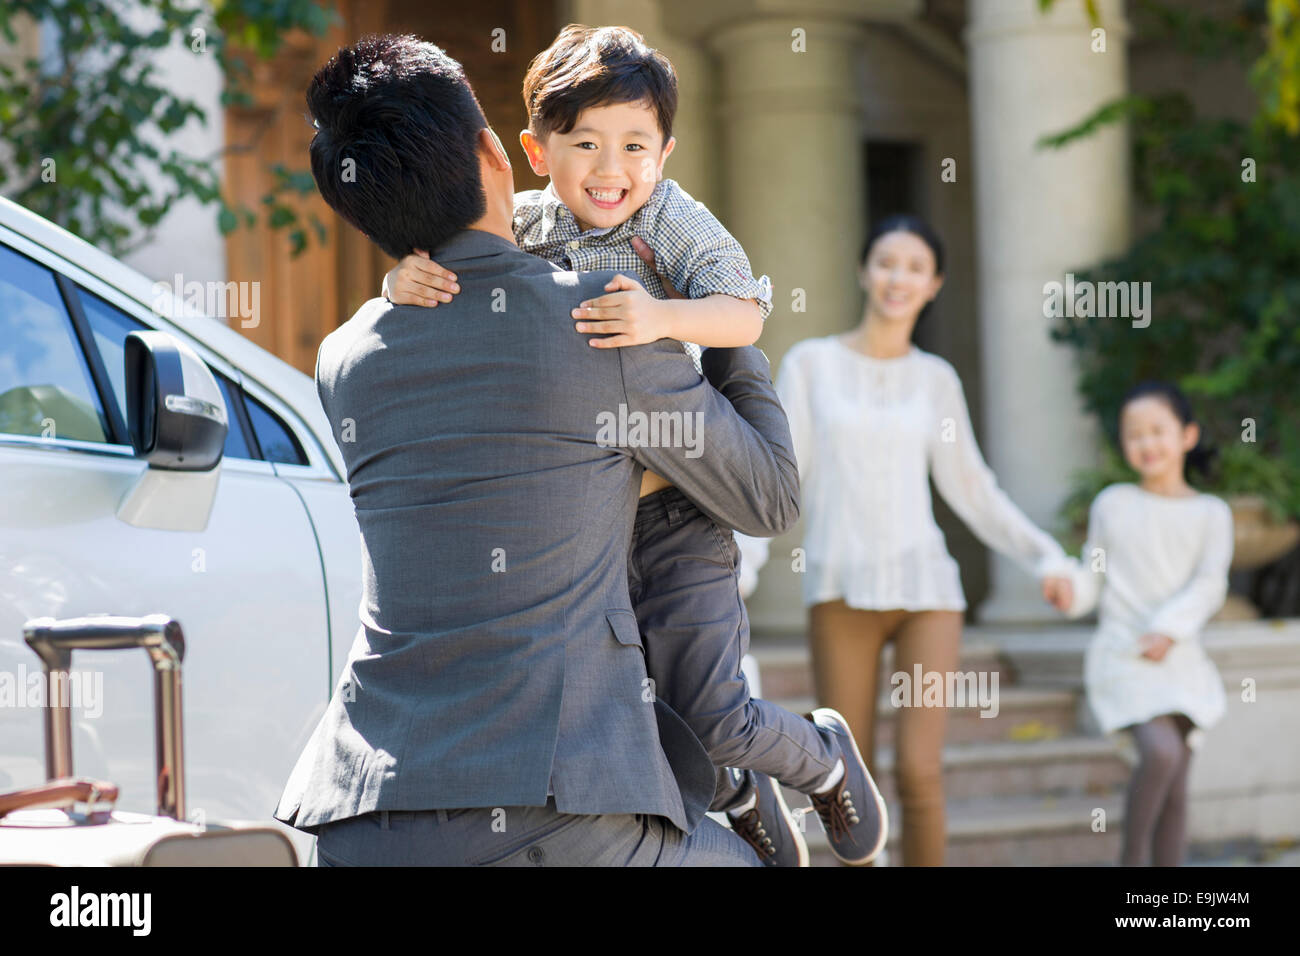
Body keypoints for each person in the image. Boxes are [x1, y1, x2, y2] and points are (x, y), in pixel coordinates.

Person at [271, 33, 865, 867]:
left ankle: (739, 779)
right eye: (584, 143)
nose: (608, 166)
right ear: (507, 152)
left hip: (361, 811)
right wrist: (725, 350)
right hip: (565, 808)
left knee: (692, 688)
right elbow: (770, 500)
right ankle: (753, 779)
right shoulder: (598, 322)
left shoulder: (342, 358)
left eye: (632, 146)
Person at [769, 214, 1076, 866]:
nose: (897, 278)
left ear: (933, 283)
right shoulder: (811, 365)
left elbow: (973, 488)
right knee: (848, 784)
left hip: (927, 593)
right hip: (839, 591)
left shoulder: (936, 379)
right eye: (886, 262)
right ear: (863, 270)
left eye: (914, 267)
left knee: (919, 770)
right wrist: (736, 562)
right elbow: (779, 480)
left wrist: (1046, 554)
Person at [1042, 381, 1232, 866]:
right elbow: (1094, 576)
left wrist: (1169, 630)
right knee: (1162, 753)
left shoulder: (1212, 514)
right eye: (1134, 435)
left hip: (1180, 660)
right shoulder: (1113, 504)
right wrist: (1070, 591)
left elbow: (1210, 586)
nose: (1146, 444)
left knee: (1178, 784)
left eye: (1157, 431)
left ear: (1187, 435)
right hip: (1124, 656)